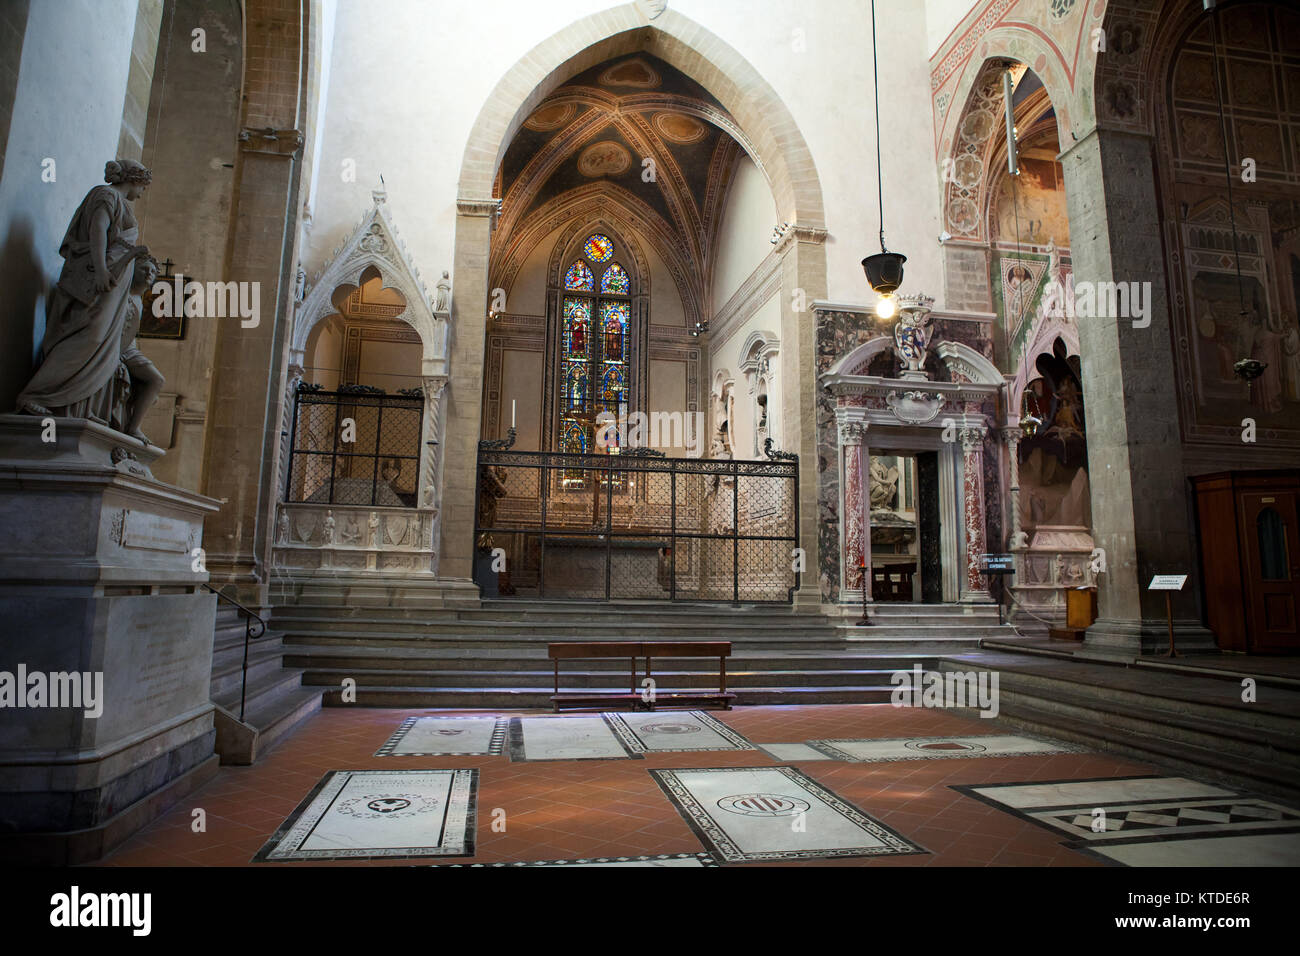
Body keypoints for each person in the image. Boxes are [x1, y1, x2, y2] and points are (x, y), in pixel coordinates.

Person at [17, 160, 153, 421]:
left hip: (112, 281)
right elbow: (98, 230)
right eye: (143, 187)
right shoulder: (106, 194)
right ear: (134, 180)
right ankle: (36, 393)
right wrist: (101, 269)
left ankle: (75, 401)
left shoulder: (121, 203)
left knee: (100, 340)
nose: (141, 193)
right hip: (97, 279)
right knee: (88, 337)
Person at [120, 255, 166, 442]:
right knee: (156, 379)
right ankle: (133, 428)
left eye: (153, 272)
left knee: (156, 380)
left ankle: (133, 427)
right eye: (144, 269)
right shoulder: (121, 295)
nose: (149, 274)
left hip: (129, 349)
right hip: (119, 349)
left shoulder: (137, 299)